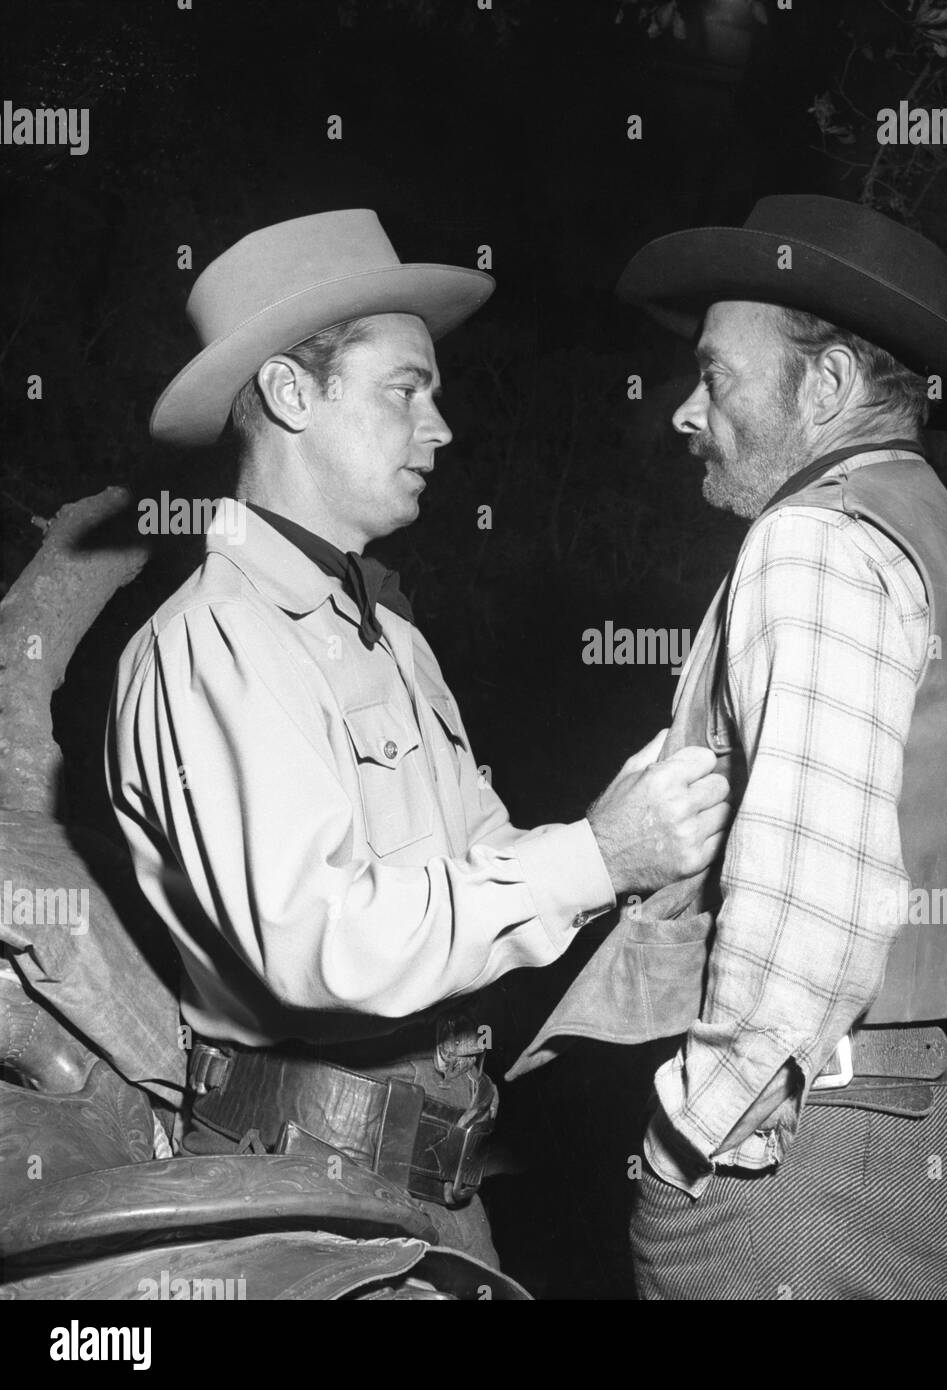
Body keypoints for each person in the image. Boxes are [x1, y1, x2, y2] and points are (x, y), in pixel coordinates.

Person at [106, 208, 730, 1266]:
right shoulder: (215, 642)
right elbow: (324, 945)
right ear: (291, 393)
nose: (440, 427)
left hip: (429, 1183)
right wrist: (596, 852)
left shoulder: (389, 636)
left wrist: (623, 842)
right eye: (406, 390)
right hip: (297, 1197)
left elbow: (484, 870)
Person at [512, 194, 947, 1299]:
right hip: (939, 1133)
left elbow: (812, 900)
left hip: (810, 1161)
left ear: (829, 388)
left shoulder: (808, 542)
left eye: (715, 374)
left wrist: (689, 1142)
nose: (683, 409)